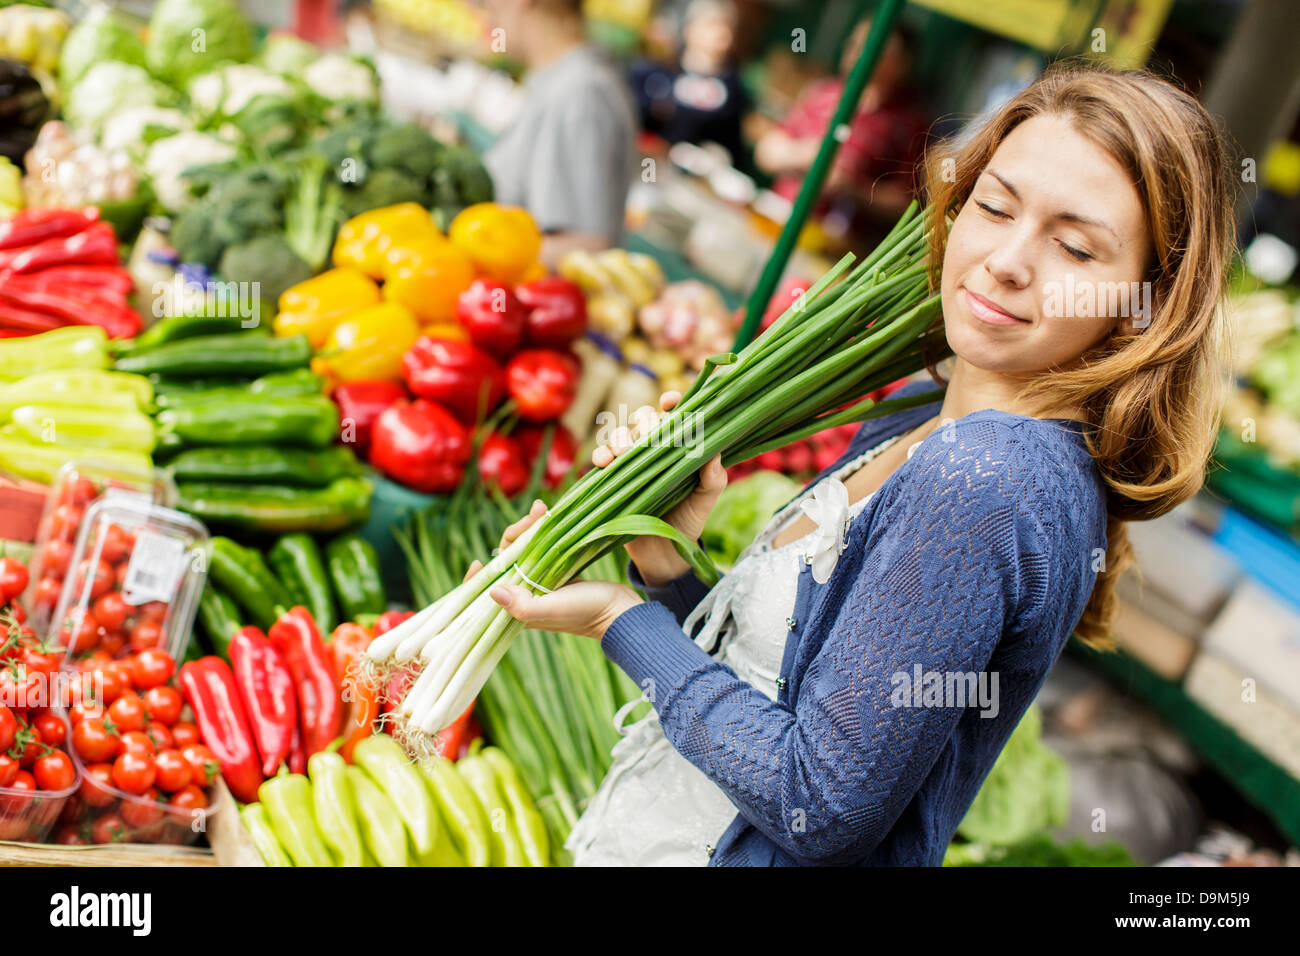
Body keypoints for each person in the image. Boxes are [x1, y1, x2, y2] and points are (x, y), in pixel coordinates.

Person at [475, 62, 1234, 866]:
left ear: (1145, 305)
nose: (1009, 259)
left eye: (1076, 247)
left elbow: (819, 804)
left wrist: (619, 623)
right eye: (995, 205)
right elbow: (788, 701)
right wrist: (667, 572)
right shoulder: (921, 414)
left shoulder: (987, 476)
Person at [481, 0, 638, 265]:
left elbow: (586, 247)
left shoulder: (581, 93)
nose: (477, 8)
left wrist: (467, 254)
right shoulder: (558, 80)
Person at [754, 17, 928, 252]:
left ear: (901, 64)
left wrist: (850, 187)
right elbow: (766, 151)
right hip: (773, 221)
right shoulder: (823, 93)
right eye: (854, 43)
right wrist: (803, 154)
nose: (856, 51)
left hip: (832, 247)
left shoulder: (908, 125)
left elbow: (905, 203)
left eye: (872, 46)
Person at [627, 0, 752, 170]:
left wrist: (716, 157)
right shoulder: (657, 72)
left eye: (728, 28)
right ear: (690, 29)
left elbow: (732, 143)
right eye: (712, 25)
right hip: (646, 165)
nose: (721, 34)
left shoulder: (733, 89)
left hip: (695, 177)